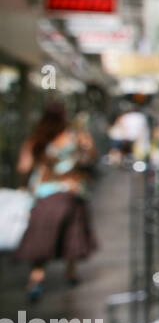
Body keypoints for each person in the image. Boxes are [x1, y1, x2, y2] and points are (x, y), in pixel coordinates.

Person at [16, 102, 98, 301]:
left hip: (44, 194)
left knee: (41, 235)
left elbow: (23, 167)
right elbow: (91, 156)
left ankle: (37, 277)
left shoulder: (38, 138)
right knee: (73, 233)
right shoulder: (73, 137)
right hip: (70, 191)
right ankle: (70, 272)